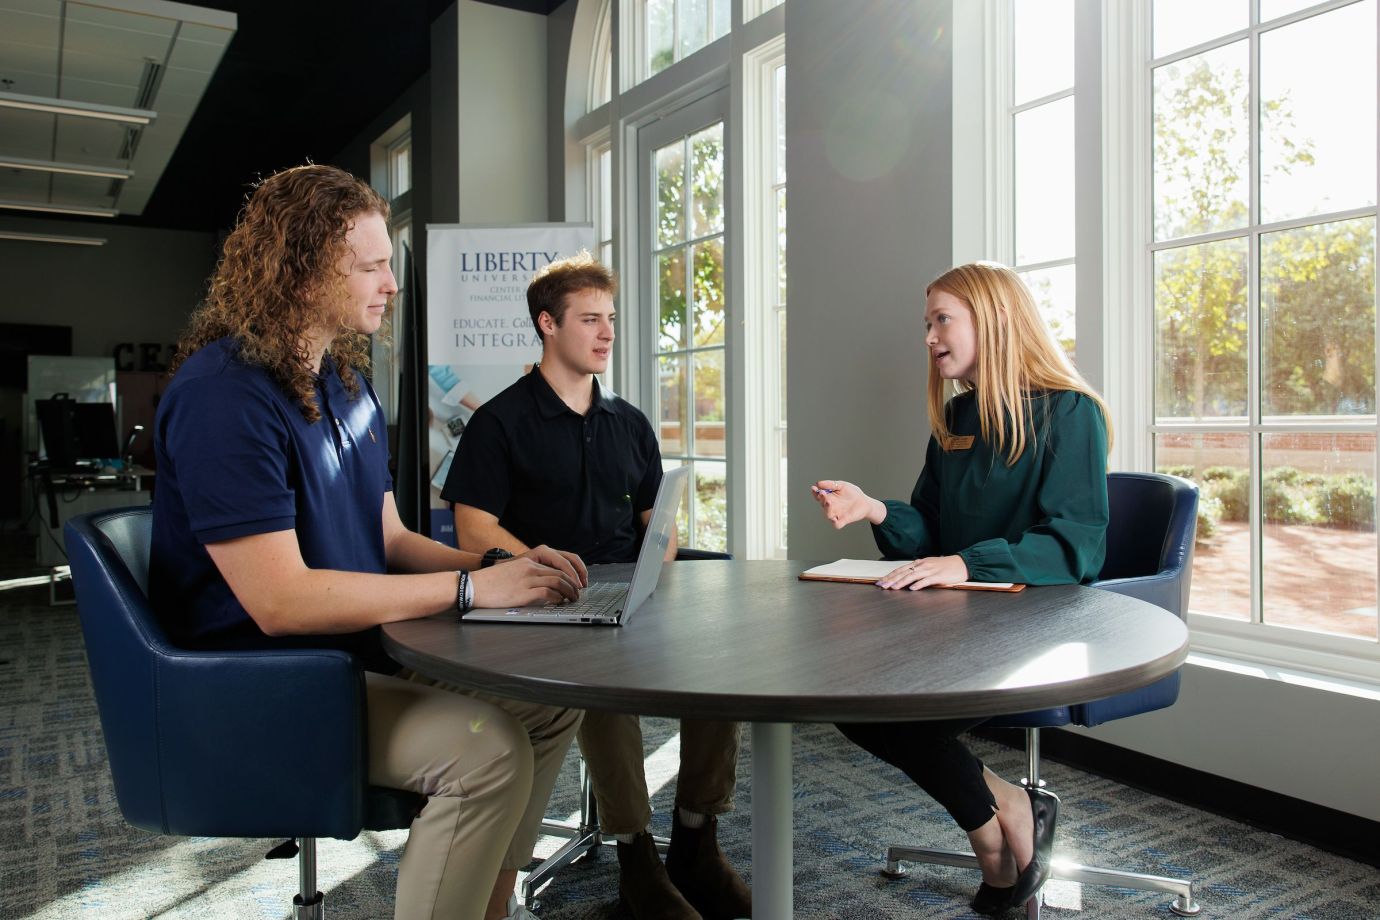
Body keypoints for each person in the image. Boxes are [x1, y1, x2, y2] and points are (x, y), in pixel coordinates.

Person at [149, 164, 588, 920]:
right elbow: (281, 602)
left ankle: (487, 906)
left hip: (346, 661)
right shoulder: (222, 396)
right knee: (488, 752)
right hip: (260, 689)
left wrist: (500, 566)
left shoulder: (345, 386)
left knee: (550, 705)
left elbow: (386, 536)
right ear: (303, 268)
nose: (391, 283)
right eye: (372, 265)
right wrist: (472, 591)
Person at [439, 252, 750, 920]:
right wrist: (539, 571)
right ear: (547, 324)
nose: (607, 333)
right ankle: (635, 854)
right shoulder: (499, 423)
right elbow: (472, 528)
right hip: (542, 605)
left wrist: (659, 553)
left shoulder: (630, 423)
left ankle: (696, 836)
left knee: (722, 670)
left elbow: (652, 519)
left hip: (630, 592)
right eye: (590, 320)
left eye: (610, 319)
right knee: (605, 691)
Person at [812, 261, 1111, 916]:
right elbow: (933, 534)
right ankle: (1001, 813)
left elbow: (1075, 542)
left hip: (1037, 623)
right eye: (927, 323)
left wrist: (967, 563)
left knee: (898, 717)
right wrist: (876, 510)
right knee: (849, 696)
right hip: (959, 620)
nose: (928, 336)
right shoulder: (959, 415)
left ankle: (995, 834)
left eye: (941, 319)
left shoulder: (1071, 412)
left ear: (993, 321)